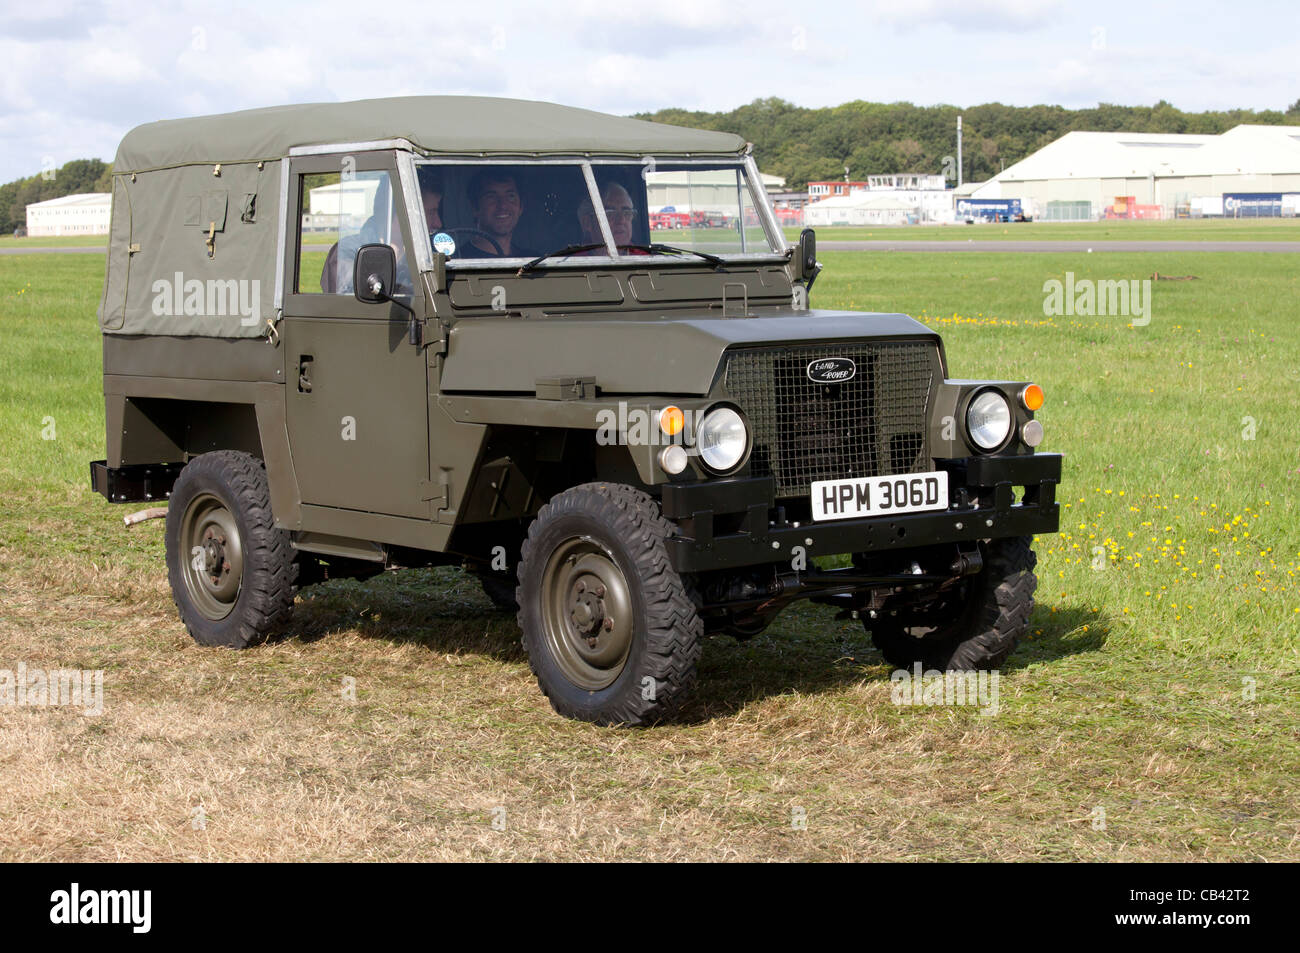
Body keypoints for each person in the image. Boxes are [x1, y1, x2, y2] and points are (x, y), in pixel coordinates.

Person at [462, 170, 536, 258]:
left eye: (510, 196)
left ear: (521, 207)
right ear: (475, 208)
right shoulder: (458, 261)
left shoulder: (532, 261)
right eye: (491, 197)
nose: (503, 206)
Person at [577, 181, 648, 254]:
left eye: (627, 213)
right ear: (587, 222)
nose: (621, 220)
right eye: (610, 214)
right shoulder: (571, 262)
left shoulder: (646, 260)